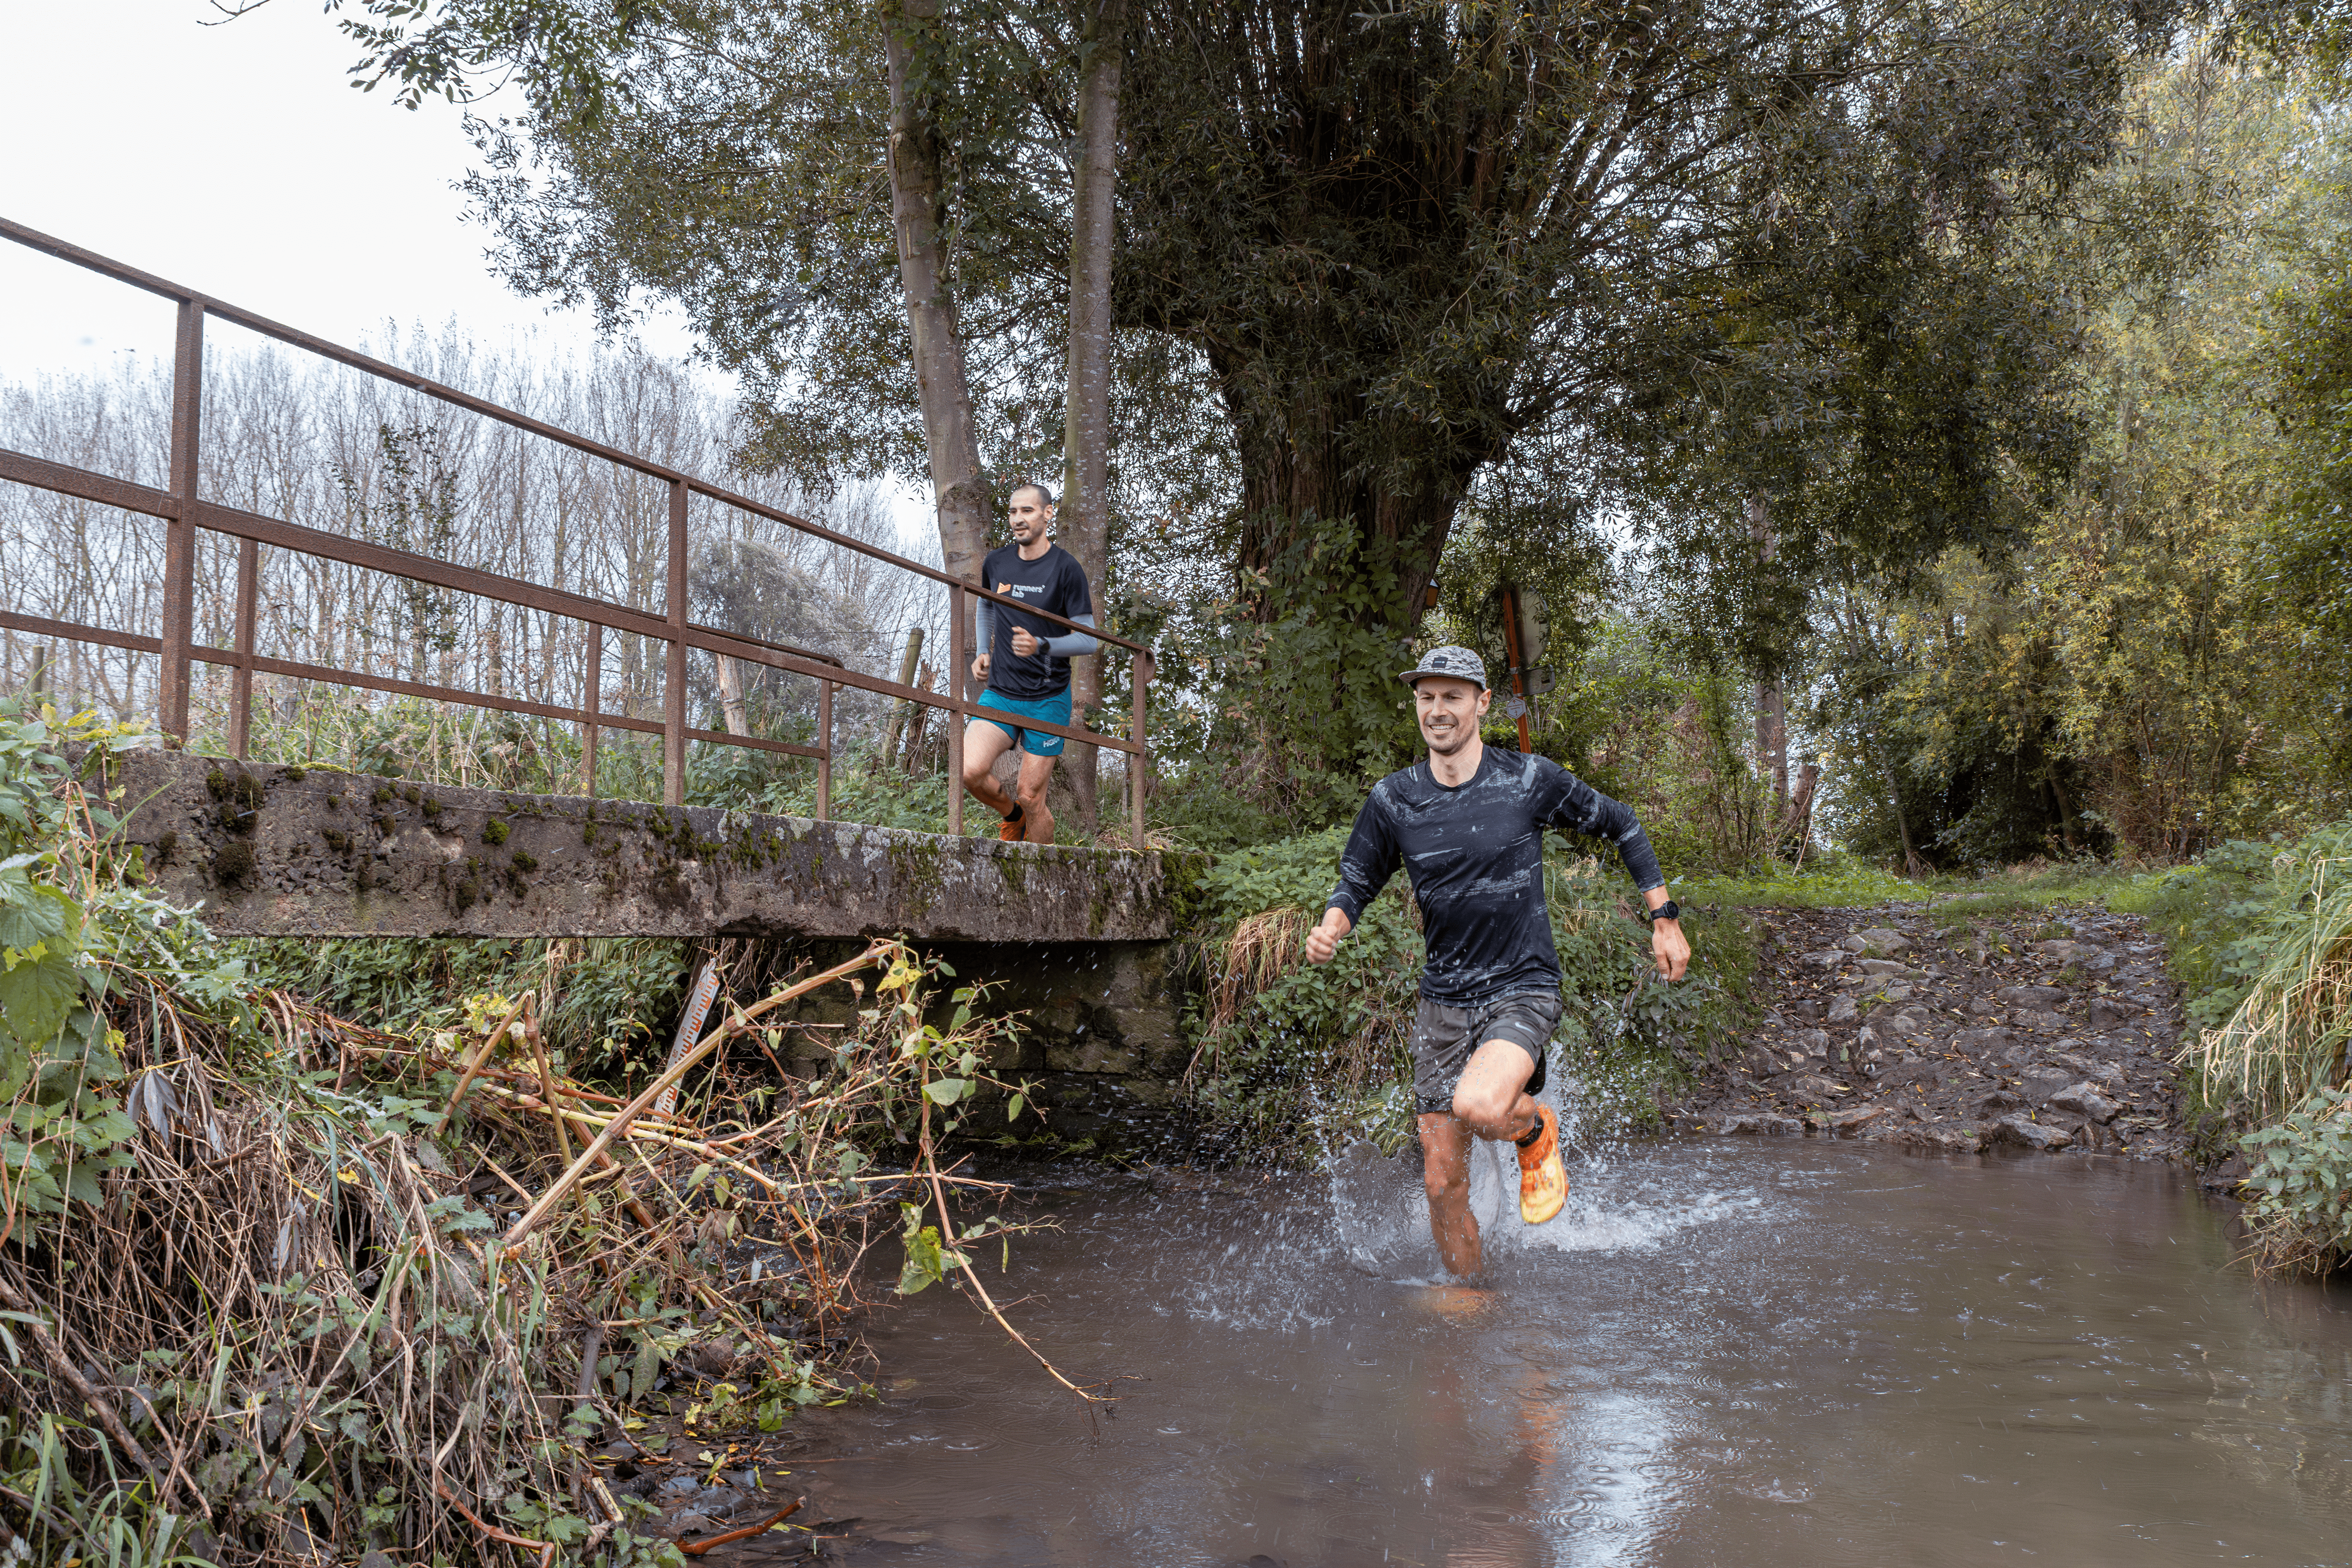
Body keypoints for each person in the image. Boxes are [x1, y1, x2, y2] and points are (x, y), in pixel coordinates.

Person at [1304, 645, 1690, 1278]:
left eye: (1452, 696)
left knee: (1482, 1106)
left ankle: (1535, 1130)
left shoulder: (1528, 780)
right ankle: (1470, 1303)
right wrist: (1332, 926)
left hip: (1522, 987)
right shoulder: (1394, 799)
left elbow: (1621, 823)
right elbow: (1357, 878)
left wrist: (1664, 918)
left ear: (1482, 703)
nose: (1437, 710)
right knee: (1440, 1182)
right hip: (1443, 1002)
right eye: (1427, 697)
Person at [961, 483, 1098, 843]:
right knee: (969, 771)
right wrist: (983, 650)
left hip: (1048, 697)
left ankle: (1044, 882)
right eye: (1013, 512)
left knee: (1033, 796)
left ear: (1048, 514)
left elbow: (1088, 639)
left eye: (1028, 511)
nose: (1018, 520)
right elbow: (987, 604)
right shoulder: (997, 562)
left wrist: (1041, 644)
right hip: (1002, 691)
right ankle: (1012, 816)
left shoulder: (1067, 569)